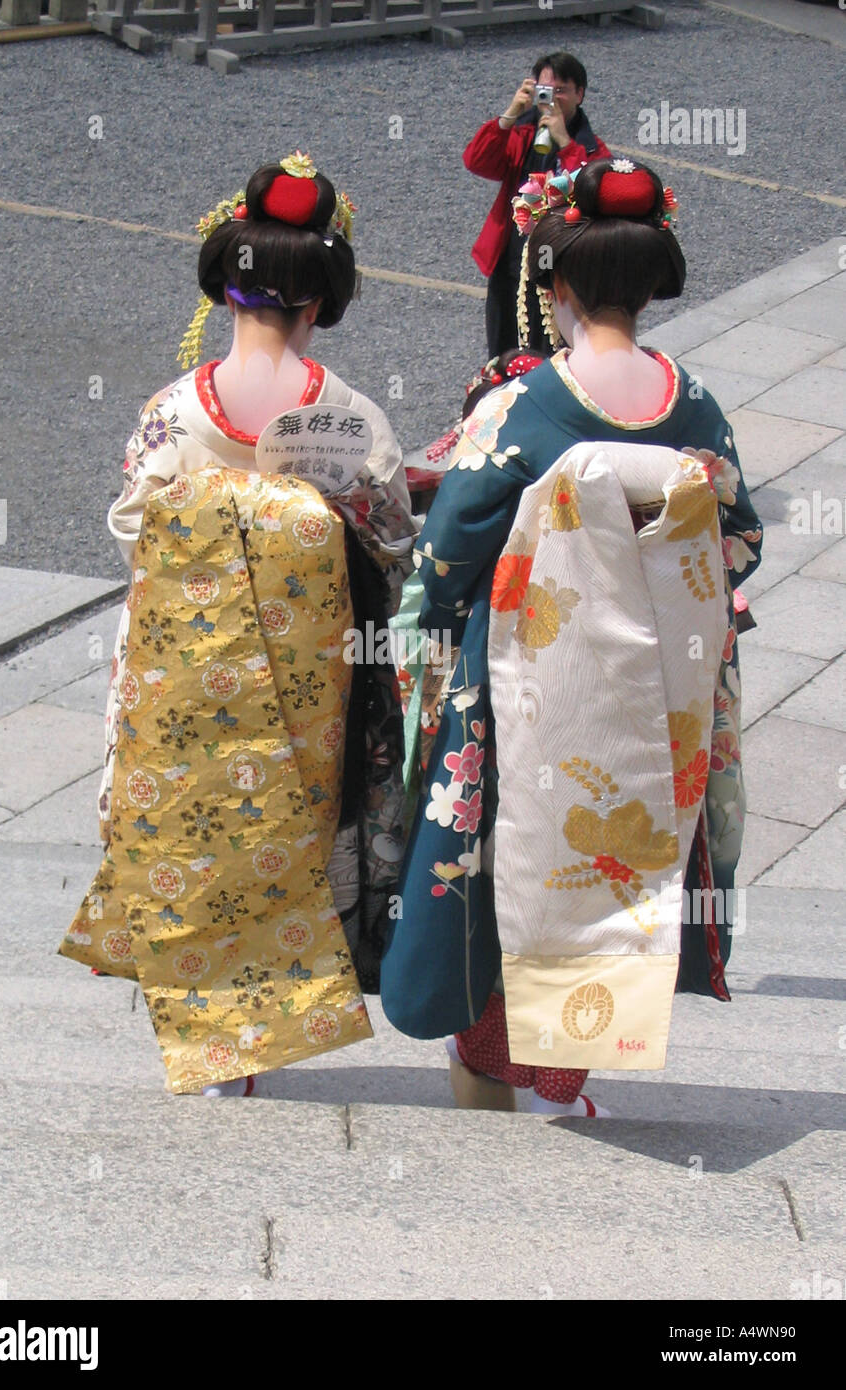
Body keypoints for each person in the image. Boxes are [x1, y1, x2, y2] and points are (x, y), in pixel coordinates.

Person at [381, 157, 763, 1117]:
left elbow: (444, 558)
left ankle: (491, 1062)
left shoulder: (522, 404)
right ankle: (569, 1058)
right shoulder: (697, 403)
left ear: (551, 286)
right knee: (616, 852)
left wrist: (415, 654)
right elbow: (740, 544)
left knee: (502, 846)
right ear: (651, 283)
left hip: (529, 679)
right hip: (654, 691)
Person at [59, 153, 417, 1097]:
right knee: (293, 825)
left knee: (189, 819)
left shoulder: (174, 409)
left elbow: (134, 529)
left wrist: (215, 528)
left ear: (226, 289)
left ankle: (208, 1030)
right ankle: (265, 1017)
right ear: (322, 302)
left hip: (183, 655)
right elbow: (389, 542)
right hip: (310, 670)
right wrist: (304, 520)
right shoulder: (347, 417)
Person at [464, 50, 611, 357]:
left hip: (558, 269)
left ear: (580, 94)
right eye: (545, 91)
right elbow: (476, 161)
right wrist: (509, 115)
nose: (552, 100)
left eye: (561, 91)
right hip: (511, 262)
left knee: (549, 350)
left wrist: (567, 144)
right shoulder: (522, 130)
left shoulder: (591, 147)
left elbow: (593, 191)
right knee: (502, 350)